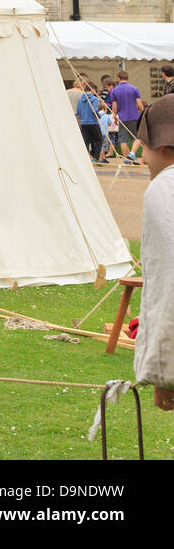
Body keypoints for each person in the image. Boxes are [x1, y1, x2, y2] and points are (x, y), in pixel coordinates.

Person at [135, 97, 174, 413]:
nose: (142, 154)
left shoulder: (164, 190)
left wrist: (165, 376)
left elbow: (168, 286)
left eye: (144, 145)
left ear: (162, 146)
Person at [109, 70, 146, 165]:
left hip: (122, 117)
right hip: (134, 116)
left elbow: (114, 107)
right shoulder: (134, 89)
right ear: (128, 78)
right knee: (137, 137)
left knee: (123, 139)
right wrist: (143, 114)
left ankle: (127, 159)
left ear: (118, 78)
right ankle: (132, 154)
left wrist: (115, 119)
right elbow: (139, 104)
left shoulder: (114, 91)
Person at [75, 83, 105, 162]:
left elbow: (78, 111)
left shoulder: (81, 99)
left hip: (84, 123)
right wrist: (99, 115)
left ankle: (85, 158)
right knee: (99, 140)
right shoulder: (94, 99)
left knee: (86, 141)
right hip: (93, 122)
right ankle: (96, 157)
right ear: (93, 89)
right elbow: (94, 111)